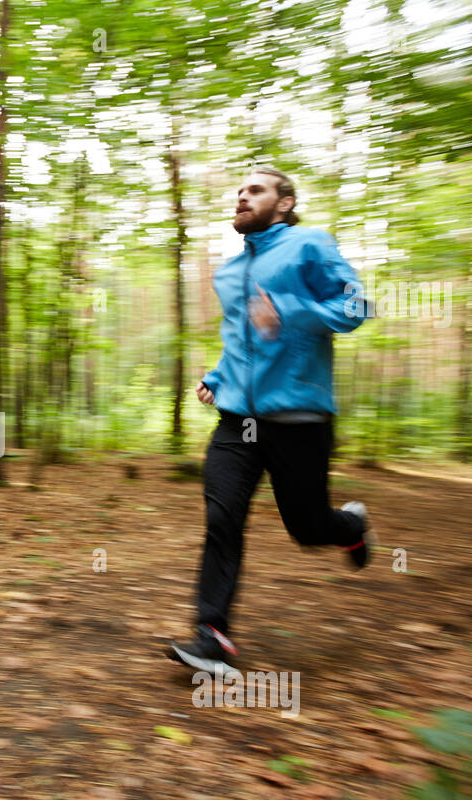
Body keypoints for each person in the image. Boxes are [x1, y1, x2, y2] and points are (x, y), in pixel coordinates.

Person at [169, 167, 375, 676]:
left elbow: (357, 306)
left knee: (306, 527)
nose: (242, 196)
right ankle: (212, 639)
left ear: (283, 203)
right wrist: (217, 377)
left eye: (255, 190)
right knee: (221, 520)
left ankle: (349, 525)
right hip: (238, 421)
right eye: (239, 190)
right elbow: (240, 344)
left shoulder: (310, 244)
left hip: (299, 419)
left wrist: (290, 310)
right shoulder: (229, 272)